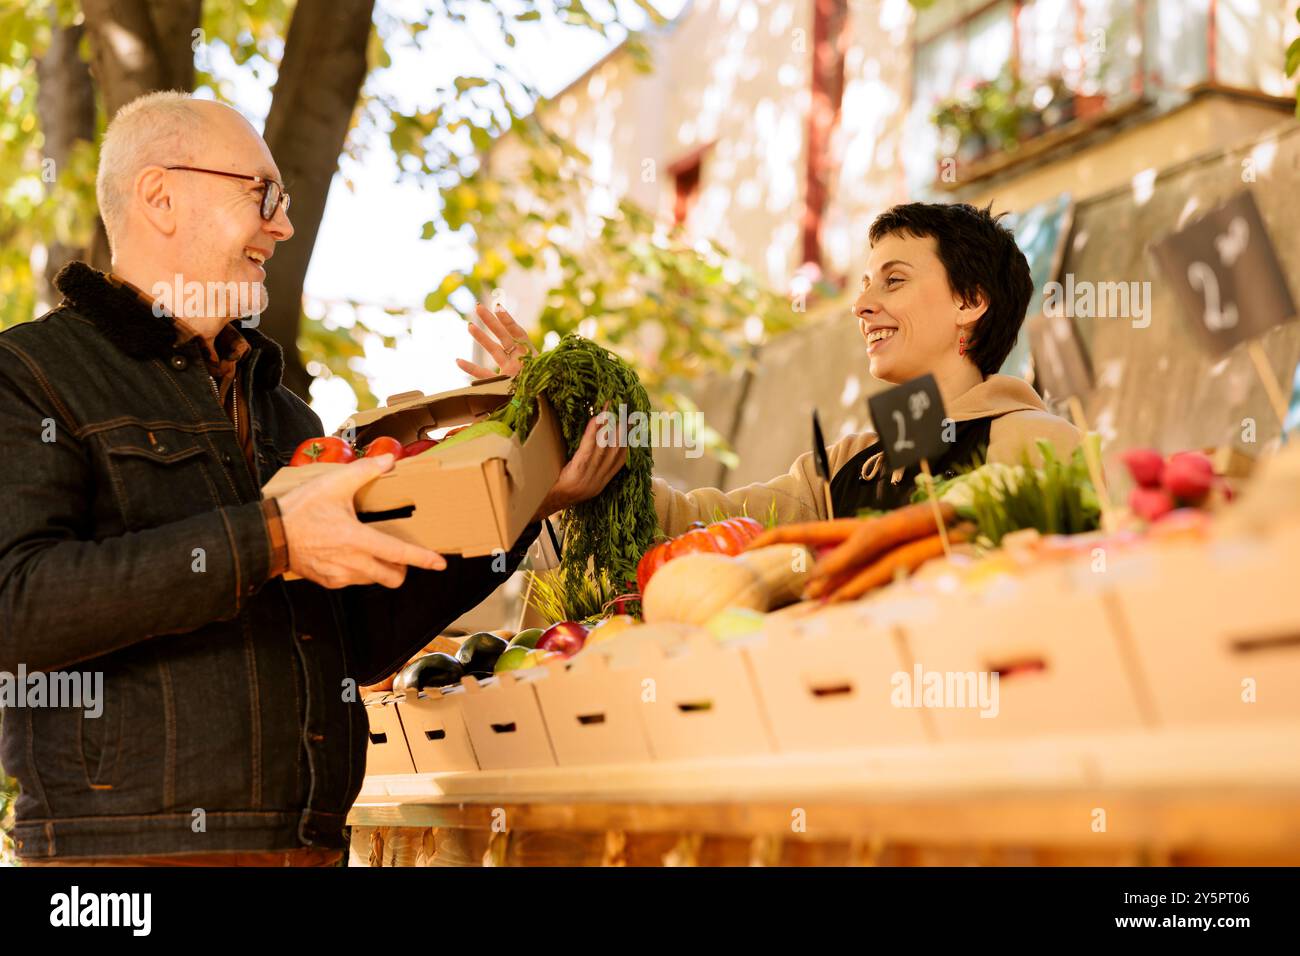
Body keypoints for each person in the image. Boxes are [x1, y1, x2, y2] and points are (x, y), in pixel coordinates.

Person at [0, 91, 598, 866]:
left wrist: (524, 493)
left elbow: (353, 642)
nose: (282, 226)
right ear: (160, 195)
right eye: (263, 195)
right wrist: (270, 539)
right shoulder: (30, 376)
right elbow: (17, 606)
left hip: (306, 850)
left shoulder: (287, 419)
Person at [465, 201, 1080, 535]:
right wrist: (560, 413)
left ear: (970, 302)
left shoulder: (1040, 443)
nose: (863, 305)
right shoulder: (845, 466)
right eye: (865, 285)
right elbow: (698, 524)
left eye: (894, 281)